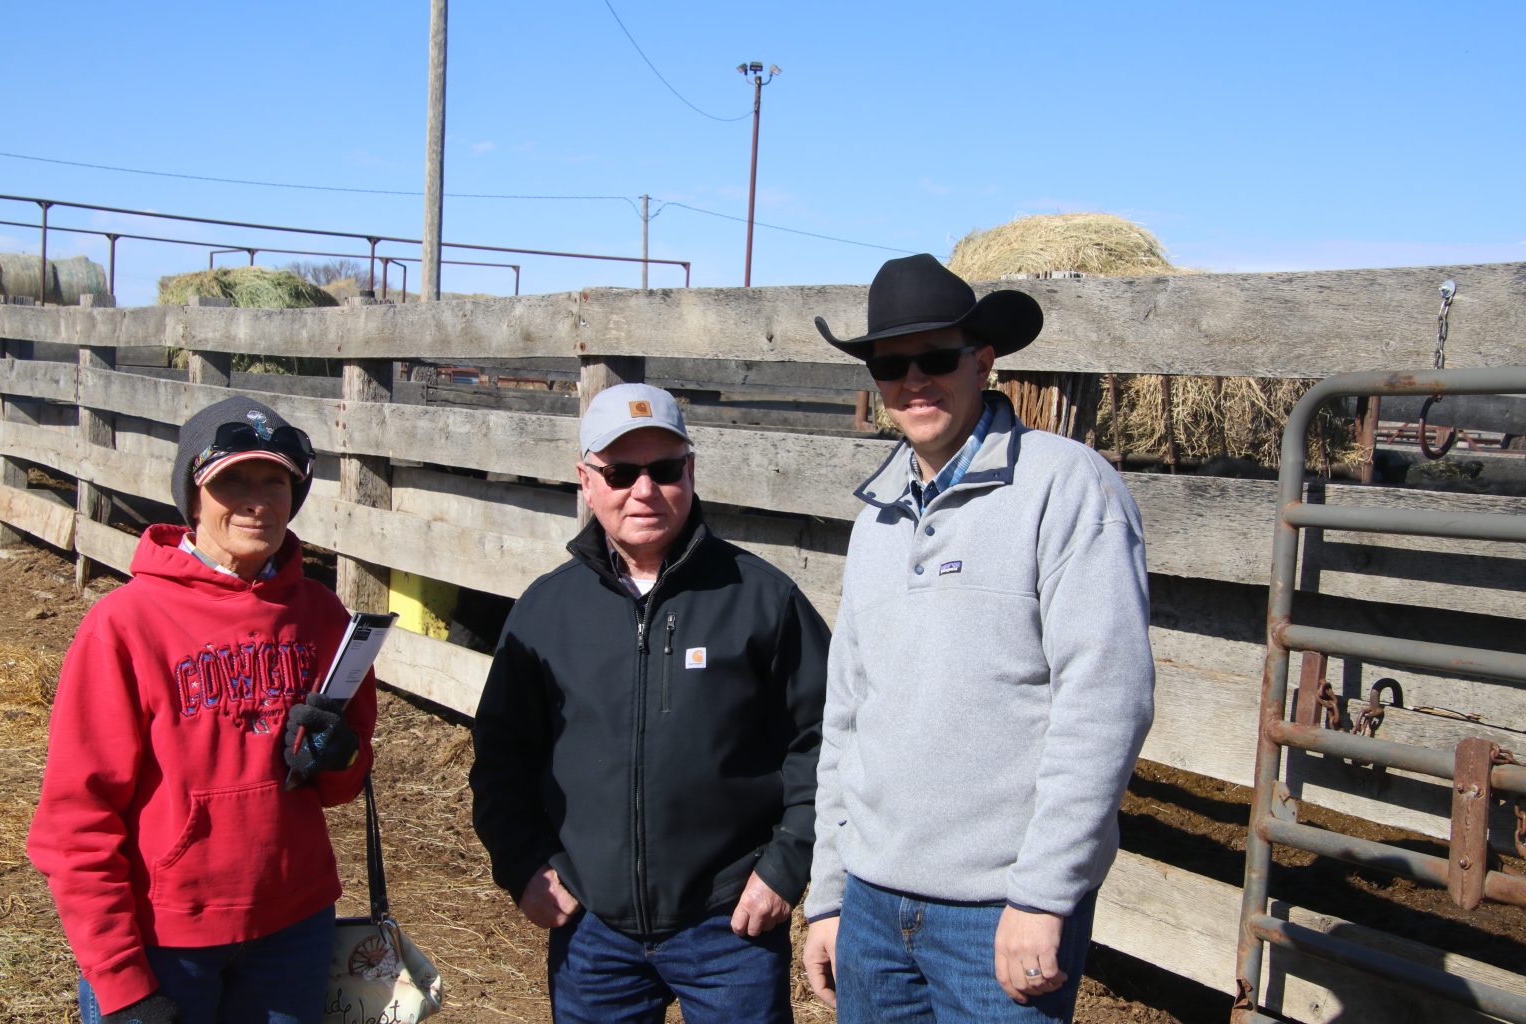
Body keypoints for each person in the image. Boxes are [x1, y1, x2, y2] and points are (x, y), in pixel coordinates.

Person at [801, 255, 1155, 1023]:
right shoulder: (877, 521)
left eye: (937, 358)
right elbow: (847, 717)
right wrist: (829, 890)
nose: (915, 380)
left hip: (997, 910)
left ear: (984, 360)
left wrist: (1043, 894)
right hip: (871, 904)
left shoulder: (1067, 488)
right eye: (892, 364)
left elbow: (1106, 701)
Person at [470, 383, 830, 1024]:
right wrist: (522, 865)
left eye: (664, 470)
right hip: (593, 930)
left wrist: (784, 866)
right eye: (619, 472)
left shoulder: (761, 600)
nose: (644, 490)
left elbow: (823, 740)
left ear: (690, 472)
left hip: (730, 924)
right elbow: (501, 753)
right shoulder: (546, 611)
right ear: (586, 480)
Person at [27, 395, 377, 1024]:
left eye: (276, 481)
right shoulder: (127, 624)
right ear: (191, 495)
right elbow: (75, 818)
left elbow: (342, 786)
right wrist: (120, 980)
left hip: (294, 925)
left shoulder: (323, 618)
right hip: (169, 937)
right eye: (232, 480)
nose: (256, 499)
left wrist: (340, 754)